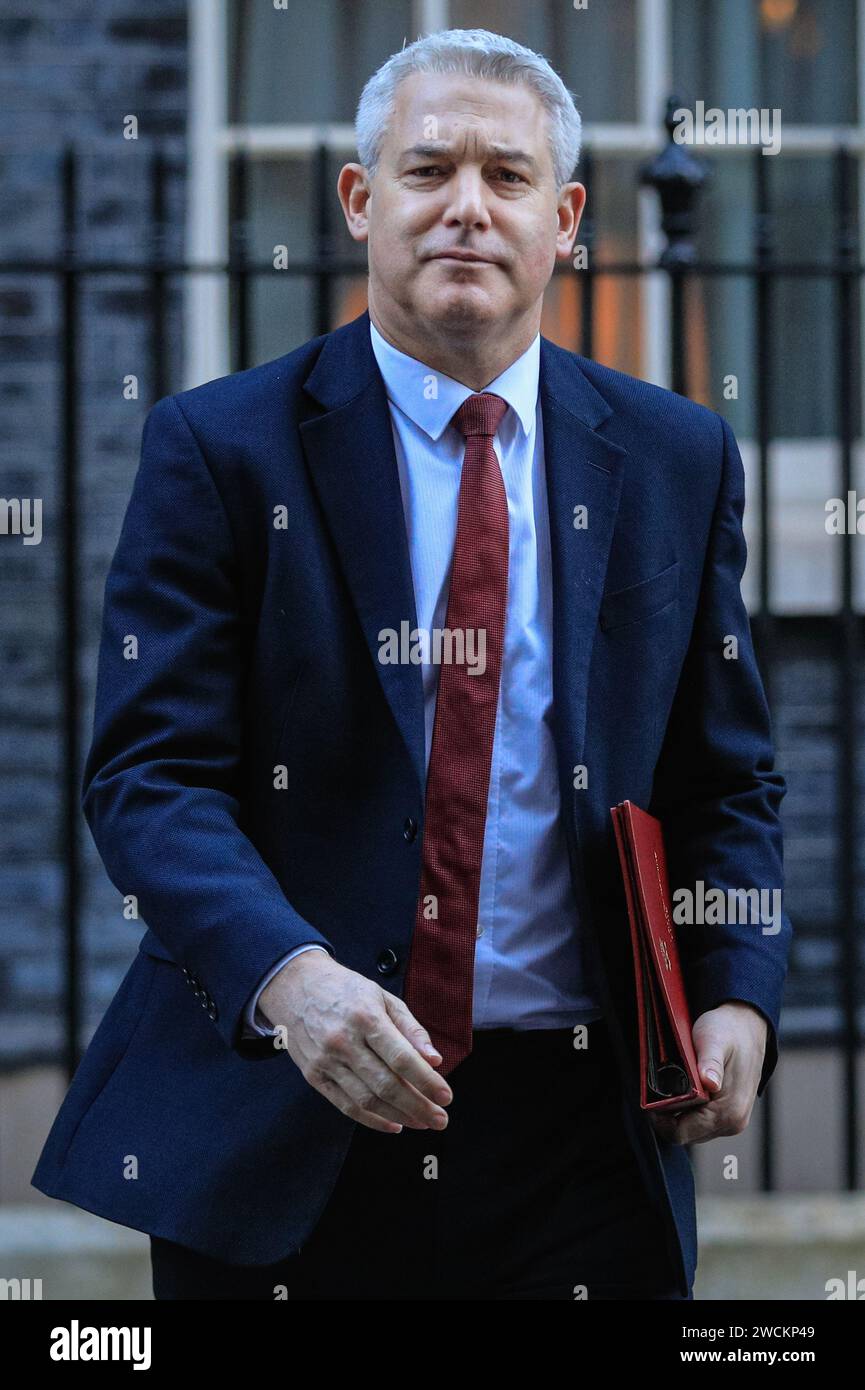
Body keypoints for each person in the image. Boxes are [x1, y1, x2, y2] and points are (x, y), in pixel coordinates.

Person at [32, 28, 791, 1301]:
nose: (465, 208)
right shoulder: (220, 449)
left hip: (585, 1138)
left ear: (564, 219)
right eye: (427, 168)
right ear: (357, 199)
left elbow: (728, 779)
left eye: (506, 176)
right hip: (292, 1109)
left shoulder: (676, 457)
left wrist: (739, 994)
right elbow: (149, 778)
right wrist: (292, 981)